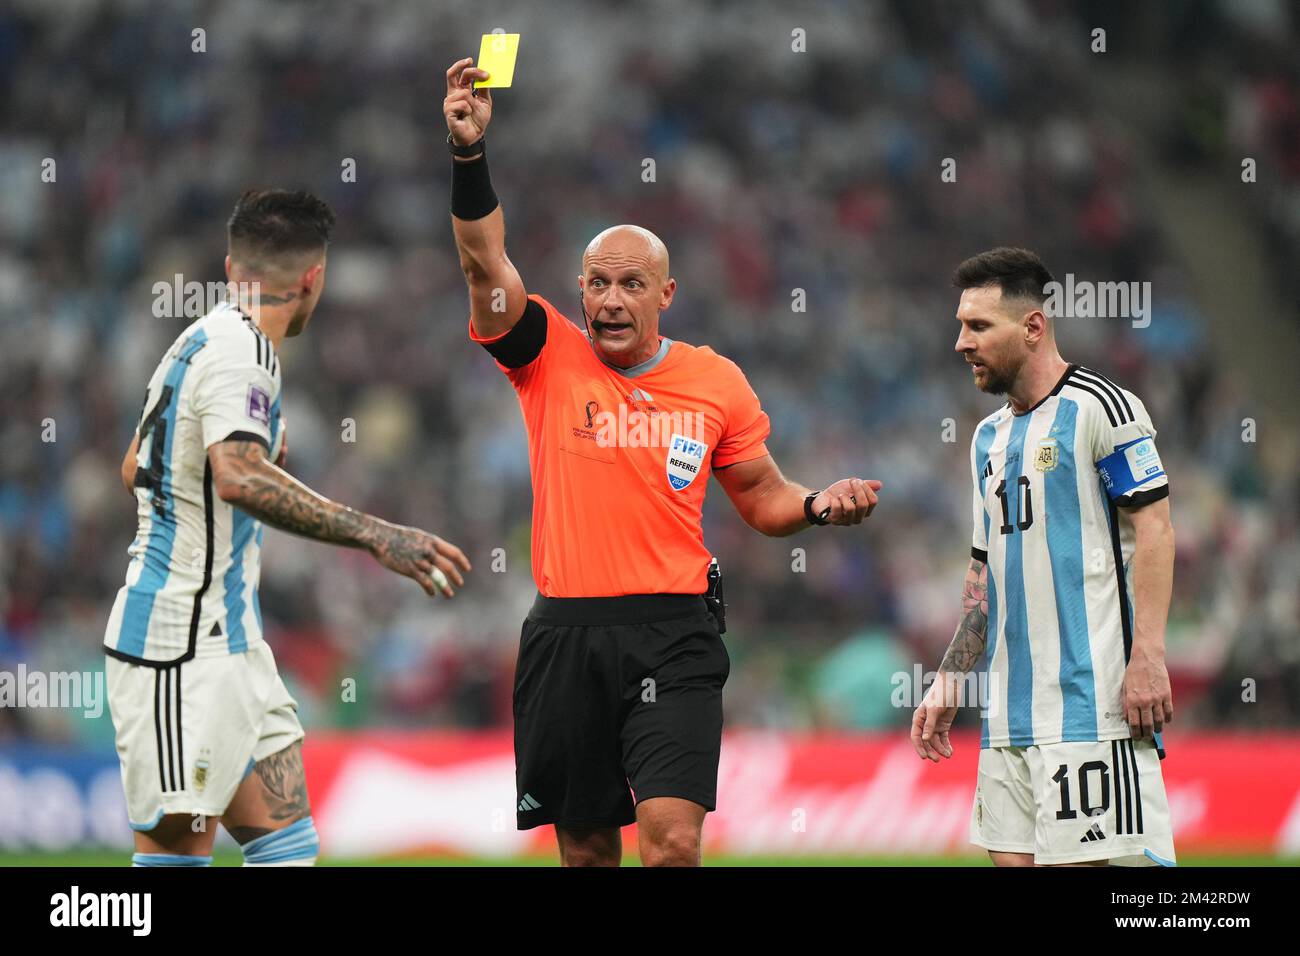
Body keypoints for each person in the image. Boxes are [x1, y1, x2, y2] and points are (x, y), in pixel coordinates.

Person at [444, 56, 883, 867]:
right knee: (584, 853)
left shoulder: (716, 381)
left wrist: (820, 505)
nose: (611, 300)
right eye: (598, 283)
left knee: (673, 843)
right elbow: (482, 263)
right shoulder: (544, 353)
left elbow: (761, 496)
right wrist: (469, 155)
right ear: (578, 288)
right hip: (566, 635)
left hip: (673, 635)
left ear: (666, 294)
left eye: (631, 285)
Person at [104, 189, 472, 866]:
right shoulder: (243, 354)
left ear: (230, 265)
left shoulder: (199, 339)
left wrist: (243, 468)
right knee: (173, 861)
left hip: (234, 645)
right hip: (179, 649)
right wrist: (373, 533)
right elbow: (238, 478)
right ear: (314, 279)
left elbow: (137, 467)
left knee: (288, 849)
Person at [911, 247, 1177, 866]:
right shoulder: (986, 438)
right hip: (1007, 715)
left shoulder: (1103, 408)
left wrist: (1149, 658)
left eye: (978, 326)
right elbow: (984, 571)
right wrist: (952, 677)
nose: (961, 343)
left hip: (1088, 705)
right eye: (960, 326)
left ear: (1033, 327)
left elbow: (1156, 529)